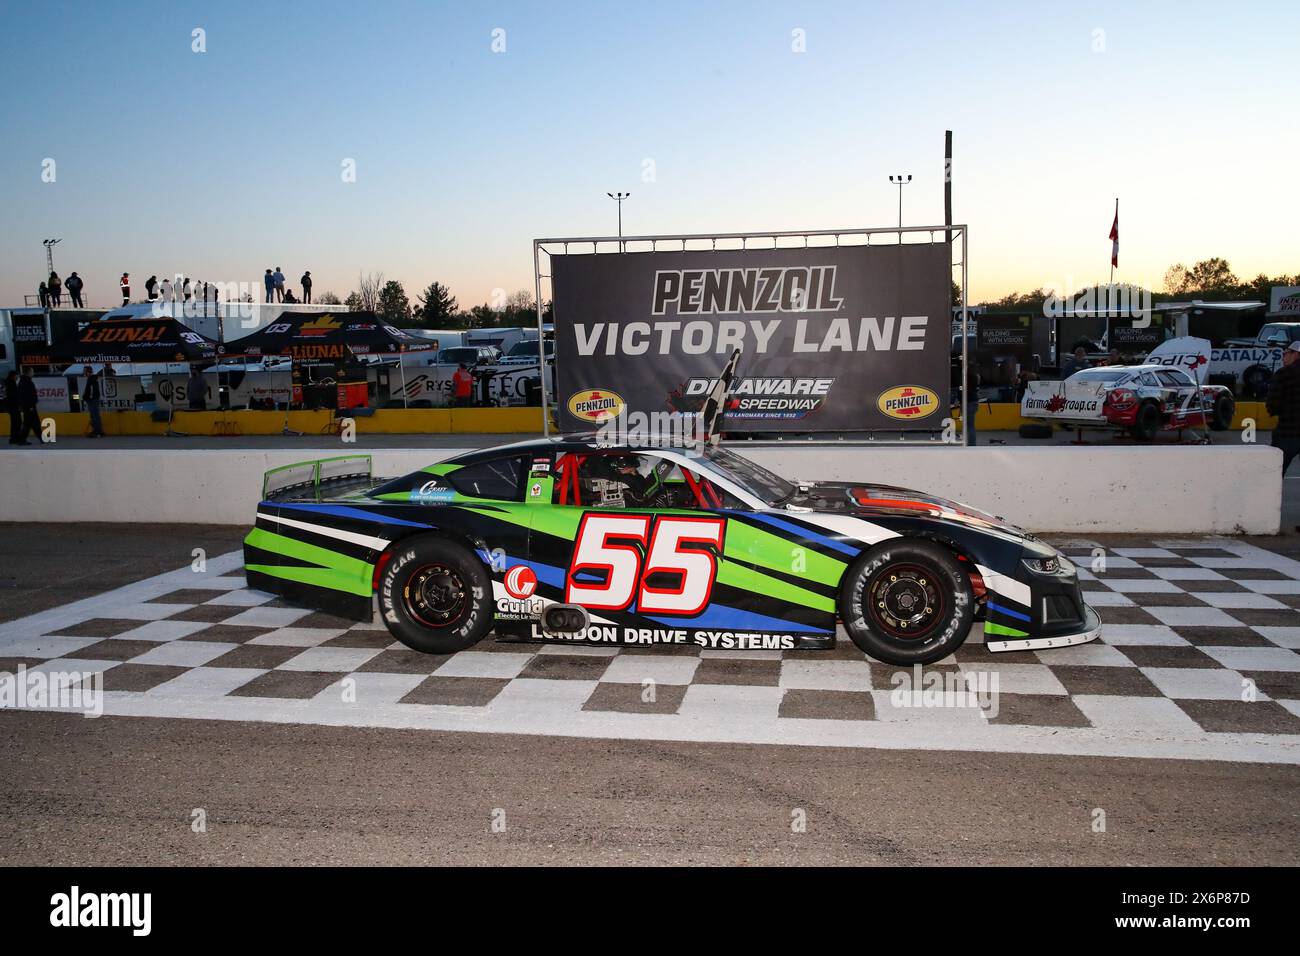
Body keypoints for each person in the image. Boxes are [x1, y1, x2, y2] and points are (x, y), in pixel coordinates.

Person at [1267, 342, 1300, 480]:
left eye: (1286, 353)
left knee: (1274, 475)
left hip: (1288, 431)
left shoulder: (1284, 373)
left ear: (1296, 354)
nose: (1283, 357)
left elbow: (1273, 404)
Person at [18, 367, 41, 444]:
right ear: (28, 372)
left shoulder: (23, 381)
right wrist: (30, 406)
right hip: (29, 406)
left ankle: (41, 438)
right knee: (30, 423)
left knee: (33, 423)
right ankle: (22, 439)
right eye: (32, 371)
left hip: (28, 406)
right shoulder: (26, 382)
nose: (33, 373)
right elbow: (27, 396)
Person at [82, 365, 105, 438]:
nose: (84, 372)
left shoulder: (91, 378)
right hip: (93, 399)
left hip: (92, 399)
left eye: (85, 371)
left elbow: (91, 389)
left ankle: (97, 431)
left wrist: (88, 397)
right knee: (95, 415)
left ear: (87, 371)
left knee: (94, 415)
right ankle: (98, 431)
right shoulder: (91, 378)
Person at [4, 370, 23, 445]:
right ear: (13, 376)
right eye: (17, 375)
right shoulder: (11, 384)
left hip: (11, 407)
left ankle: (14, 438)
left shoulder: (8, 383)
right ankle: (15, 438)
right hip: (13, 406)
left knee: (15, 422)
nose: (18, 377)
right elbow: (14, 396)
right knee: (17, 422)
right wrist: (19, 404)